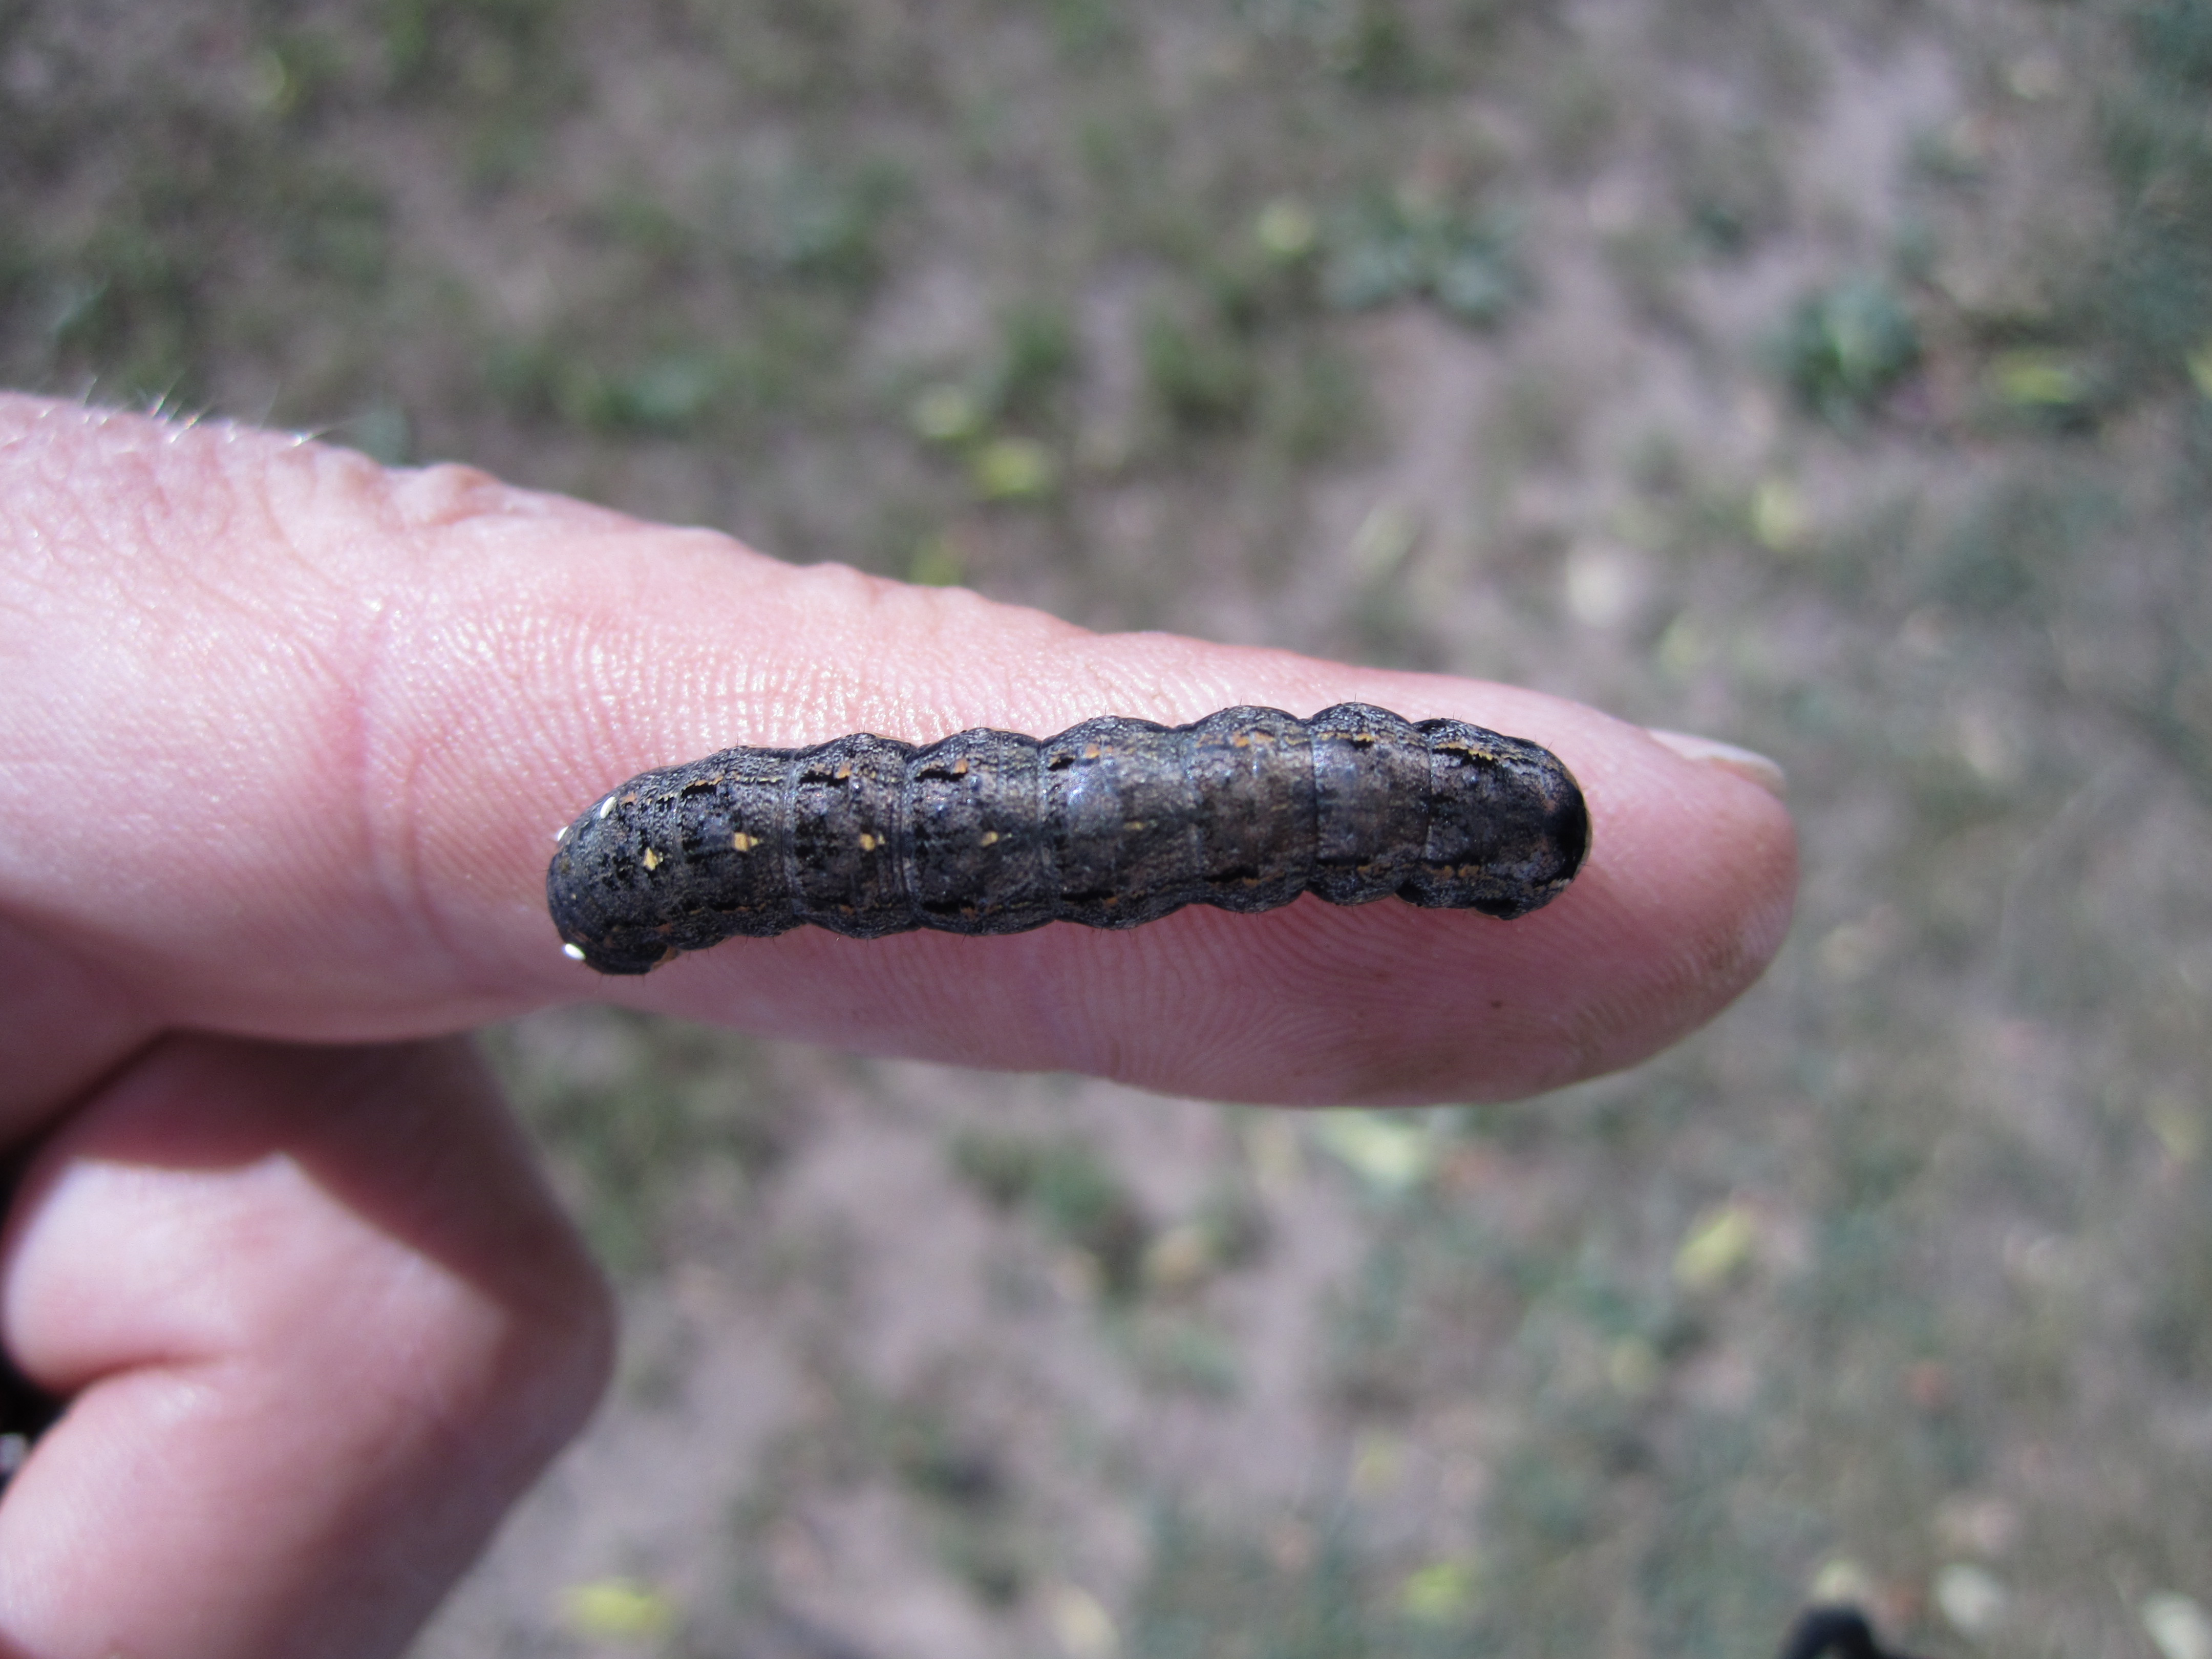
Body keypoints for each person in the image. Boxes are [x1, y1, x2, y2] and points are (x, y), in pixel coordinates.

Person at [0, 392, 1796, 1658]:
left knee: (1078, 831)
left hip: (1348, 805)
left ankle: (1427, 816)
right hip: (1279, 808)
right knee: (1073, 831)